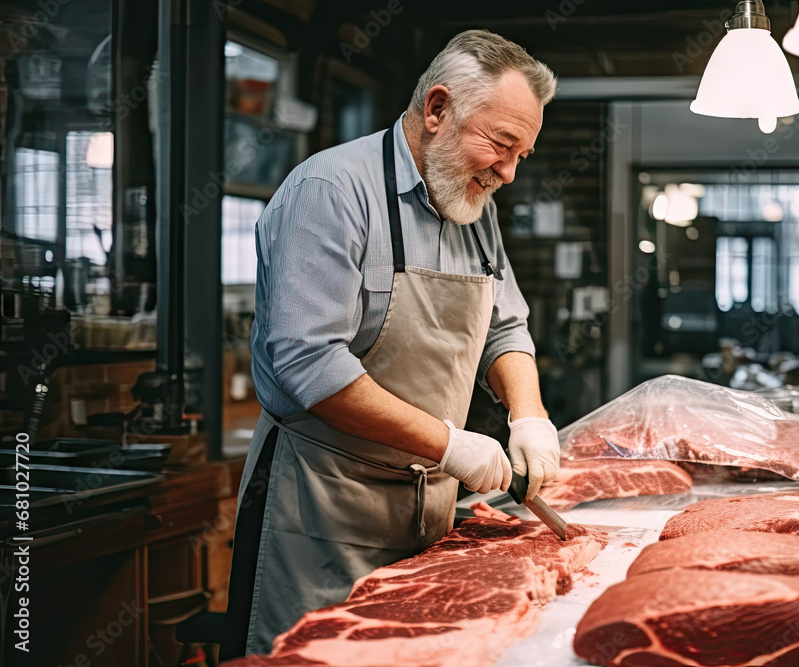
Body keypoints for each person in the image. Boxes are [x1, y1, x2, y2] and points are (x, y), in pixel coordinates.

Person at [221, 30, 562, 658]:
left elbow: (505, 327)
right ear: (437, 110)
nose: (509, 173)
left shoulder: (473, 205)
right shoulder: (330, 192)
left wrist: (529, 414)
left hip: (428, 508)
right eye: (501, 145)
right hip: (322, 507)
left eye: (523, 154)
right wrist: (449, 442)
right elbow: (310, 364)